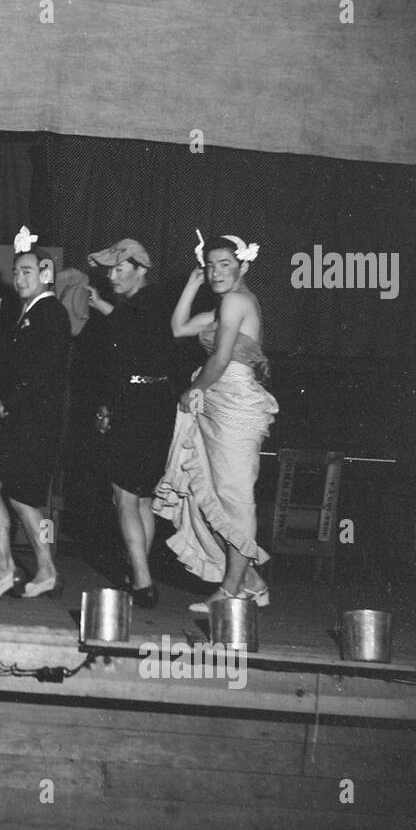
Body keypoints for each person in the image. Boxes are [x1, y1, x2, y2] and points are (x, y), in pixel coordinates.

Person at [153, 231, 279, 612]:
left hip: (234, 403)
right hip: (214, 401)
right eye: (209, 266)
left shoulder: (238, 301)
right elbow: (178, 329)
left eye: (225, 264)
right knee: (209, 494)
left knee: (235, 497)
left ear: (242, 265)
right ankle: (251, 582)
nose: (215, 272)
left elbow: (222, 358)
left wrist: (193, 390)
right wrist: (190, 286)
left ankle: (230, 591)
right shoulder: (223, 306)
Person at [0, 249, 72, 599]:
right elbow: (13, 361)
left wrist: (8, 404)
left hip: (32, 421)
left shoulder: (51, 312)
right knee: (12, 495)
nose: (19, 278)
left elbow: (43, 371)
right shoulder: (31, 313)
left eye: (27, 271)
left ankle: (24, 568)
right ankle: (36, 569)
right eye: (16, 272)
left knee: (14, 496)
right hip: (23, 419)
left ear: (46, 273)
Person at [85, 238, 176, 608]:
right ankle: (138, 573)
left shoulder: (147, 303)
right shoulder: (144, 305)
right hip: (152, 403)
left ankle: (141, 582)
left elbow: (127, 339)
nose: (112, 275)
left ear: (141, 270)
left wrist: (110, 407)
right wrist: (102, 304)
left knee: (125, 496)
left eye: (120, 269)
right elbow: (129, 329)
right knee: (141, 499)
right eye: (110, 269)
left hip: (138, 405)